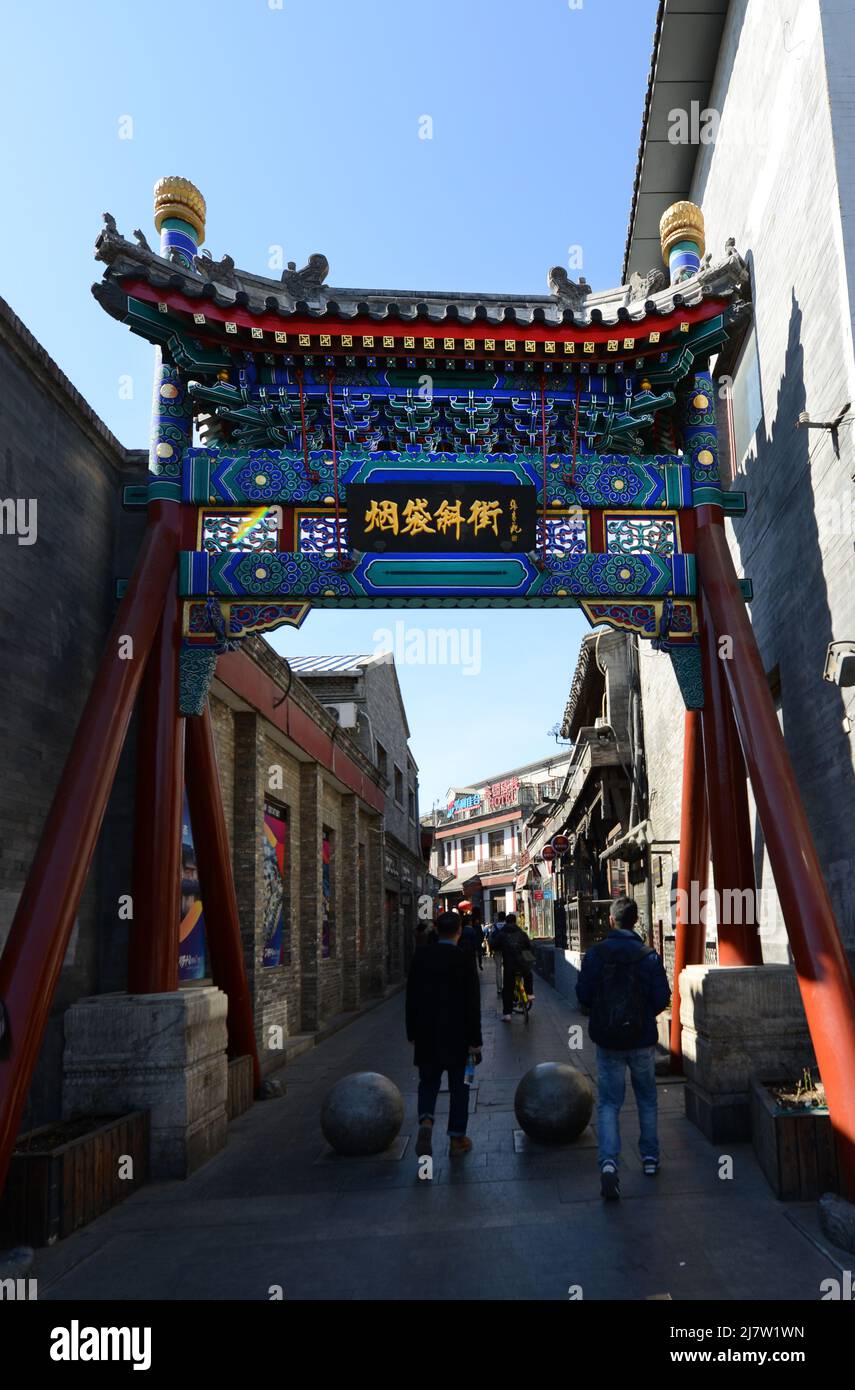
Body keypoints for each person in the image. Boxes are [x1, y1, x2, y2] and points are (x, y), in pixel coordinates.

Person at [575, 895, 670, 1202]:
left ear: (611, 921)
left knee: (608, 1104)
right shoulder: (649, 956)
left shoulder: (596, 954)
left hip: (608, 1040)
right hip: (642, 1039)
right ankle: (651, 1159)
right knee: (646, 1099)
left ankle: (608, 1164)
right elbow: (661, 998)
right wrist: (640, 1017)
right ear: (635, 920)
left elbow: (583, 994)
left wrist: (604, 1014)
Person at [406, 910, 482, 1158]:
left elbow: (411, 997)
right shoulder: (464, 959)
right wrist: (475, 1041)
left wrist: (412, 1031)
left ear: (437, 931)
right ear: (459, 931)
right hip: (459, 1037)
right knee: (461, 1086)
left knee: (428, 1082)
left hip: (427, 1034)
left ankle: (426, 1121)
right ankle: (456, 1139)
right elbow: (472, 1003)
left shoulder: (421, 957)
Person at [497, 911, 535, 1020]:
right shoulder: (522, 933)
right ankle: (530, 993)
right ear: (515, 922)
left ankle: (507, 1014)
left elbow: (493, 944)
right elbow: (529, 945)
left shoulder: (502, 934)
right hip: (522, 964)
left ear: (506, 922)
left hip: (509, 967)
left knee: (507, 989)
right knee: (528, 973)